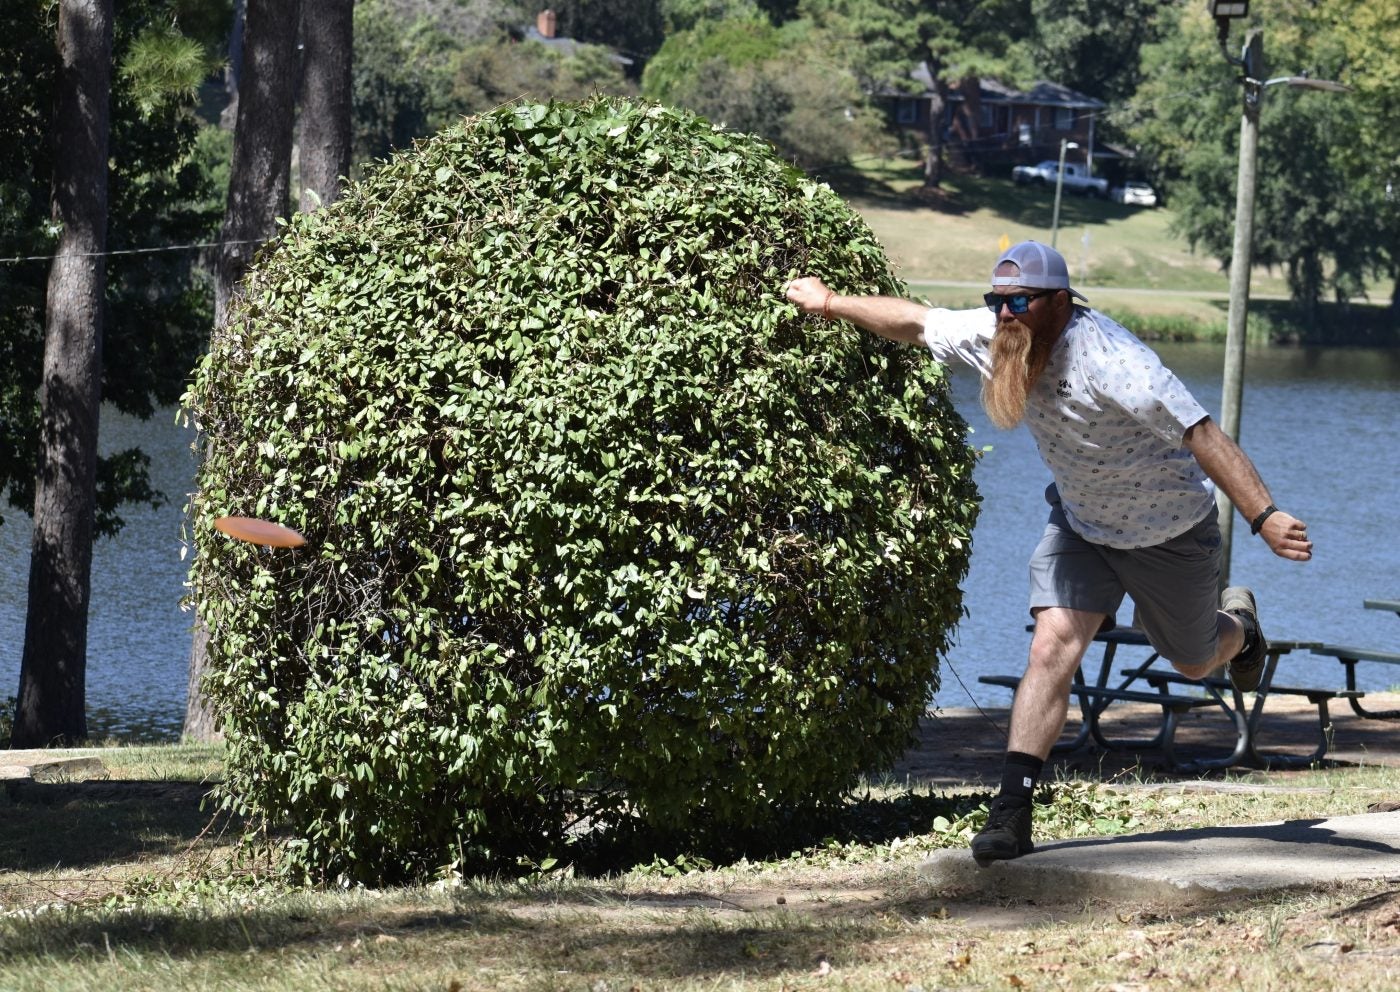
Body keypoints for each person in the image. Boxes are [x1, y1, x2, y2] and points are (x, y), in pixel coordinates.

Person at [785, 241, 1312, 865]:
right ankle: (1011, 810)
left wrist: (1264, 516)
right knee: (1051, 644)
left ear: (1059, 302)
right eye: (997, 300)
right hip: (1082, 525)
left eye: (1020, 301)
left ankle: (1242, 630)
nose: (1004, 313)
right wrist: (827, 304)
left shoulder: (1117, 364)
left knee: (1196, 661)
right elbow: (915, 321)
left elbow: (1204, 435)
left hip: (1167, 533)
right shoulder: (1000, 336)